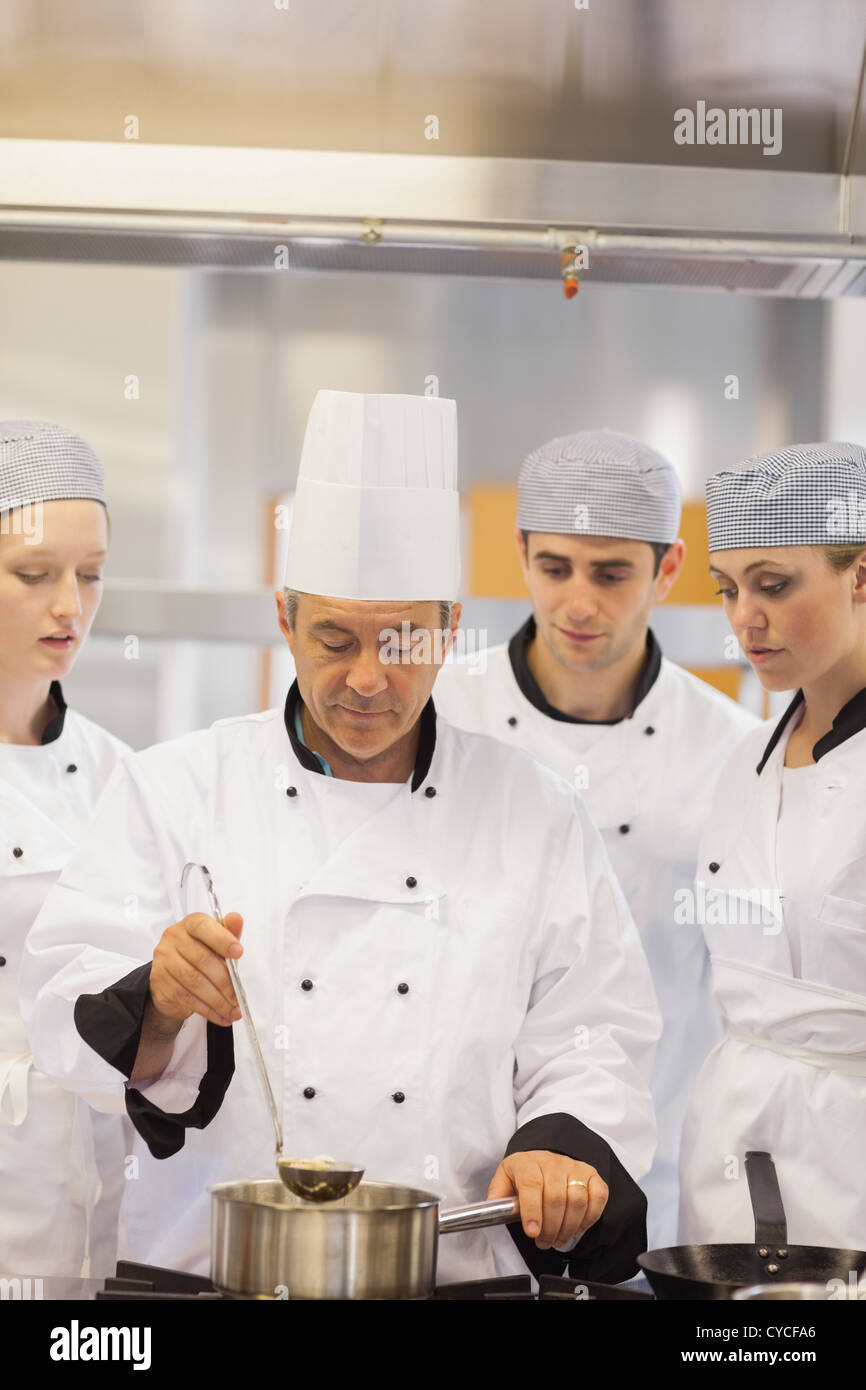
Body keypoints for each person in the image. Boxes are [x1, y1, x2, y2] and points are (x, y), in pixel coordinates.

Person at [21, 391, 661, 1287]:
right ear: (284, 621)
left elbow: (594, 1033)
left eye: (400, 643)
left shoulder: (534, 810)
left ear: (446, 631)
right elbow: (61, 1013)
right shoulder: (174, 788)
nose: (367, 680)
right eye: (333, 639)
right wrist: (159, 1000)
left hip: (455, 1273)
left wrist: (559, 1146)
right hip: (212, 1271)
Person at [434, 428, 759, 1249]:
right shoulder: (441, 715)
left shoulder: (733, 751)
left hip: (657, 1164)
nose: (579, 603)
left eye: (612, 573)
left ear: (670, 568)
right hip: (461, 1168)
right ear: (521, 554)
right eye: (556, 568)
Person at [677, 440, 866, 1250]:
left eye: (774, 585)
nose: (743, 618)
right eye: (728, 589)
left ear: (861, 577)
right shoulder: (734, 763)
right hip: (733, 1155)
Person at [0, 420, 131, 1277]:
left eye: (89, 577)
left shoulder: (120, 775)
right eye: (34, 575)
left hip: (91, 1207)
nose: (70, 608)